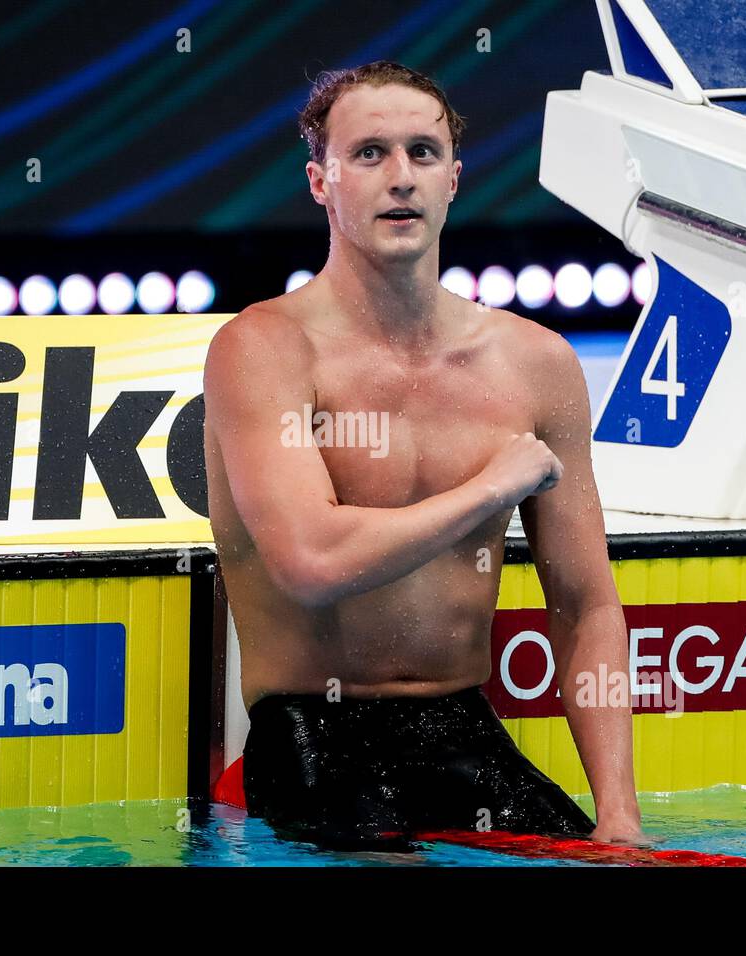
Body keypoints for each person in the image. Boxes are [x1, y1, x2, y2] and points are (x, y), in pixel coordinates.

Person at [203, 60, 645, 851]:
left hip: (461, 729)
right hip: (310, 734)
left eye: (422, 153)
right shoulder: (263, 348)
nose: (400, 177)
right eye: (369, 154)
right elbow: (310, 560)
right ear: (320, 182)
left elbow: (586, 605)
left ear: (454, 181)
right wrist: (491, 488)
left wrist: (620, 816)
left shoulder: (536, 364)